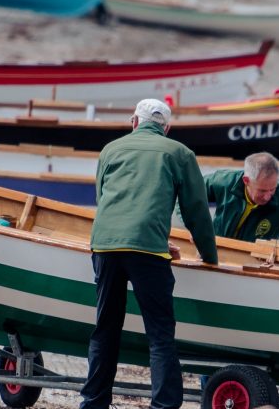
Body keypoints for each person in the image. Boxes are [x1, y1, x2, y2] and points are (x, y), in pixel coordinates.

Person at [80, 99, 218, 409]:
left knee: (105, 328)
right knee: (159, 333)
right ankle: (164, 406)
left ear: (134, 122)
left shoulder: (110, 150)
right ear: (167, 128)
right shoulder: (180, 153)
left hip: (105, 244)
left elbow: (103, 199)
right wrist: (210, 257)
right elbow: (195, 211)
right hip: (147, 250)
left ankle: (93, 402)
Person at [204, 152, 279, 264]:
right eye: (262, 190)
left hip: (255, 265)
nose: (267, 197)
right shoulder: (225, 181)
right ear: (246, 181)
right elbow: (191, 192)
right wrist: (197, 227)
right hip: (214, 255)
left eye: (272, 189)